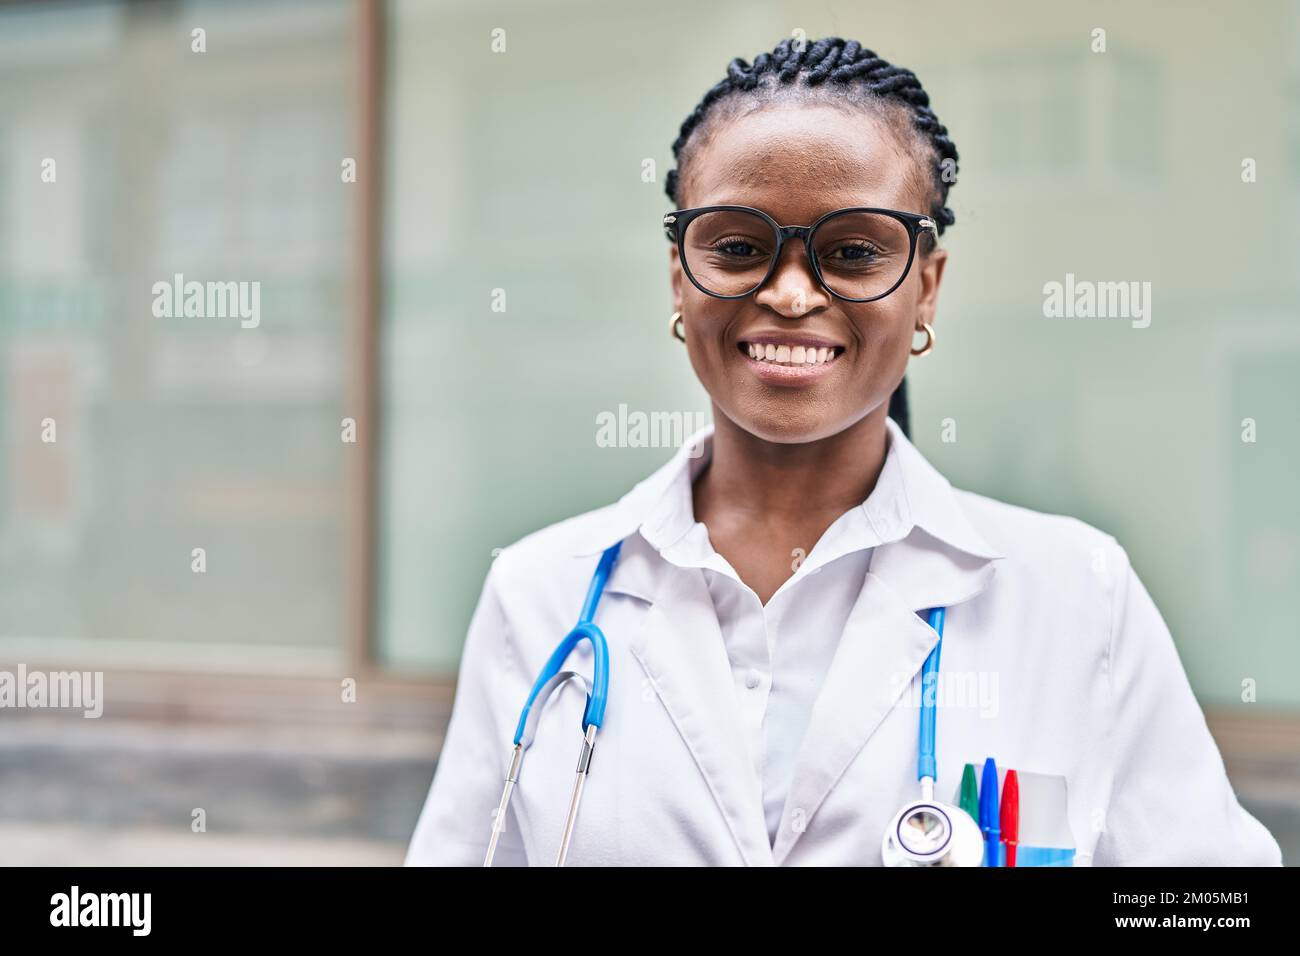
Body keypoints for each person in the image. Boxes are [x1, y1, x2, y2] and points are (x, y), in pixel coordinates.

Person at [405, 37, 1282, 866]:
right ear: (680, 274)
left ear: (925, 287)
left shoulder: (1078, 594)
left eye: (854, 252)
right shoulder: (540, 593)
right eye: (739, 248)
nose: (790, 294)